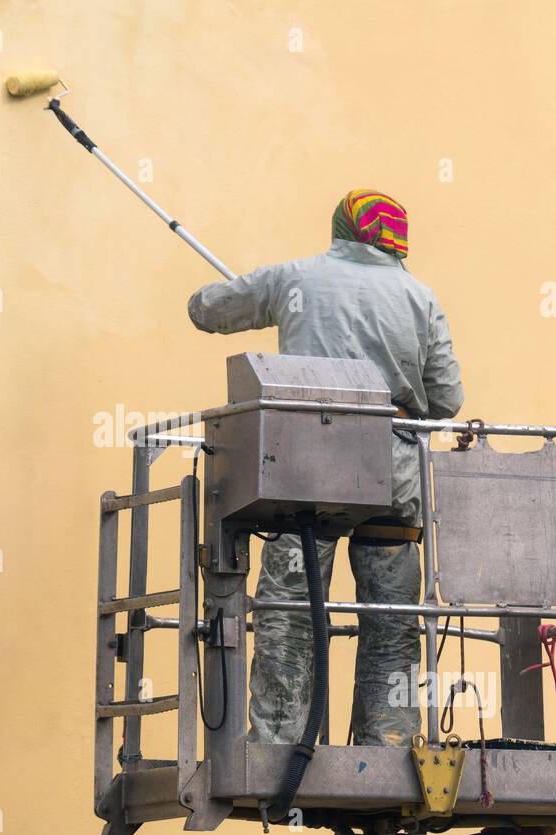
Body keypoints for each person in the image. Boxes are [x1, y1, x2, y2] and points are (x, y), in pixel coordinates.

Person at [186, 189, 464, 746]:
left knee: (289, 610)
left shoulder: (296, 278)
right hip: (393, 472)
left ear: (342, 227)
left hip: (303, 473)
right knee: (391, 619)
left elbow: (206, 309)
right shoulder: (419, 296)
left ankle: (280, 742)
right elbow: (448, 397)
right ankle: (388, 743)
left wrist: (265, 301)